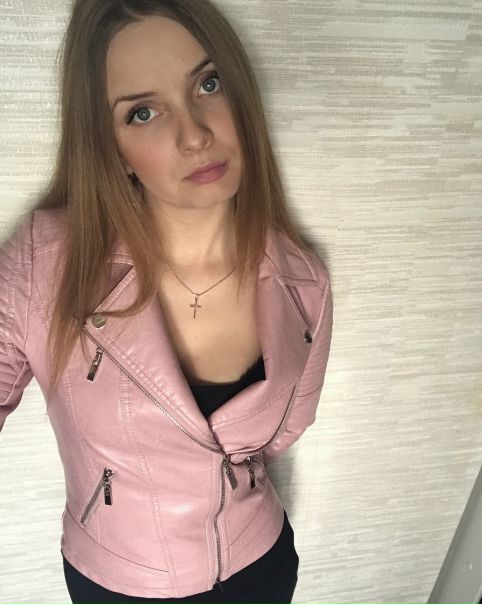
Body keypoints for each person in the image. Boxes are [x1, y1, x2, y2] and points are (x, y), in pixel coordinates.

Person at [0, 0, 333, 602]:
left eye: (208, 84)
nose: (195, 135)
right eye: (143, 112)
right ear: (110, 146)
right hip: (118, 583)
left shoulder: (304, 281)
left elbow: (283, 433)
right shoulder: (47, 261)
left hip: (261, 564)